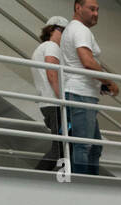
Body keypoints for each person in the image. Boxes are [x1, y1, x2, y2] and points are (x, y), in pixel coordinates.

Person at [59, 0, 118, 176]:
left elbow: (80, 64)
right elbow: (88, 62)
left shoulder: (73, 29)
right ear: (78, 7)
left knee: (94, 147)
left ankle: (91, 181)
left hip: (81, 92)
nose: (96, 14)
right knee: (84, 146)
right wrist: (109, 81)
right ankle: (83, 184)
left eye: (97, 10)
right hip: (81, 93)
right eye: (91, 9)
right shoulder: (80, 30)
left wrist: (99, 83)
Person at [32, 16, 67, 171]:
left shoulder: (41, 48)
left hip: (48, 105)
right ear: (54, 29)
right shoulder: (52, 46)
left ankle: (61, 180)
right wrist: (65, 100)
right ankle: (34, 180)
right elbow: (52, 73)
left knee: (63, 147)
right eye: (64, 32)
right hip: (55, 105)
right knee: (60, 148)